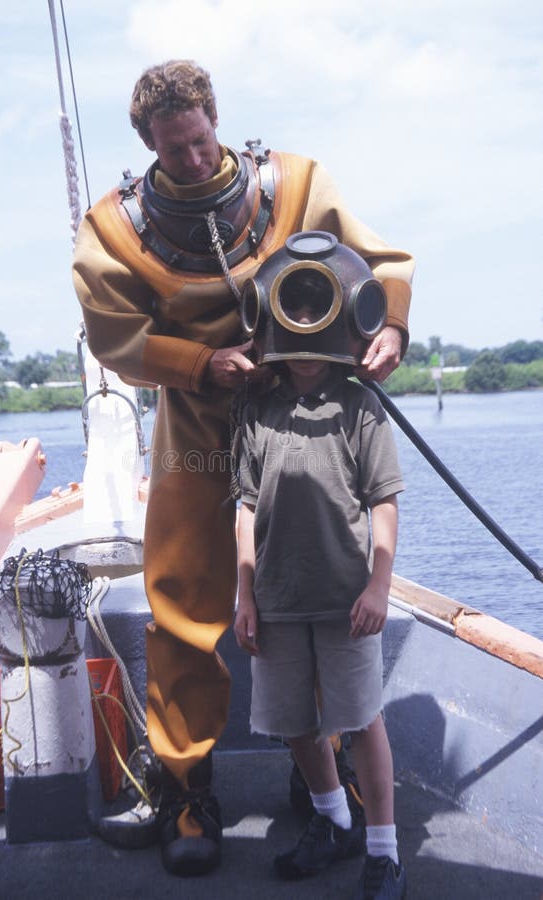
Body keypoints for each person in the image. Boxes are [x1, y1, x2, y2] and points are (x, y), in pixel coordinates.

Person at [72, 59, 414, 877]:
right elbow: (112, 334)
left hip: (305, 421)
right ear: (146, 145)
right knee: (184, 608)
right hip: (196, 432)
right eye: (172, 149)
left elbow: (379, 262)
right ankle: (186, 787)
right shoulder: (112, 227)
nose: (191, 160)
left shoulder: (294, 184)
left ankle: (325, 781)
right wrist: (200, 363)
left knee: (321, 585)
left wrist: (391, 328)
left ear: (214, 120)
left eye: (198, 140)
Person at [234, 260, 407, 899]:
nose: (305, 348)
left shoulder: (360, 407)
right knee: (293, 722)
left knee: (361, 719)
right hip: (277, 598)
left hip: (345, 599)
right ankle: (334, 817)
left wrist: (378, 586)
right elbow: (245, 507)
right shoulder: (260, 408)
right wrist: (245, 594)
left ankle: (384, 851)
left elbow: (384, 501)